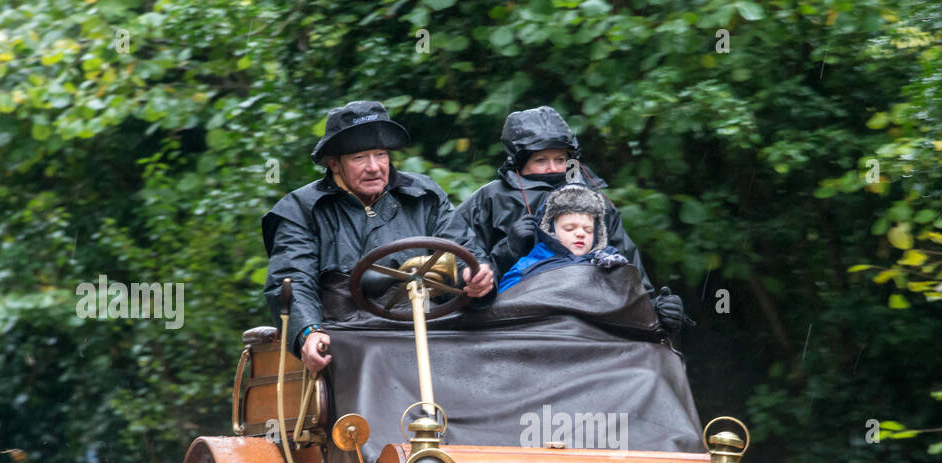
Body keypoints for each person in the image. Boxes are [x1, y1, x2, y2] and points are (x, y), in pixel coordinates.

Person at [262, 100, 495, 374]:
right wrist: (308, 331)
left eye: (381, 155)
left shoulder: (425, 195)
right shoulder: (301, 209)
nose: (374, 167)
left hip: (431, 325)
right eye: (360, 158)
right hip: (349, 334)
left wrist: (476, 277)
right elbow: (292, 281)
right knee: (370, 365)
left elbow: (463, 250)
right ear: (334, 164)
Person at [457, 106, 688, 332]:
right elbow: (462, 263)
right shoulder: (489, 199)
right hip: (514, 317)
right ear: (520, 162)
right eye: (541, 160)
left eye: (560, 159)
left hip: (592, 311)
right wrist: (509, 248)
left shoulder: (592, 197)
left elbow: (623, 255)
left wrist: (653, 305)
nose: (552, 168)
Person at [498, 184, 629, 292]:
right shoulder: (528, 266)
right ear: (549, 231)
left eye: (588, 230)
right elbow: (505, 304)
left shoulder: (612, 261)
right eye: (569, 228)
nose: (581, 234)